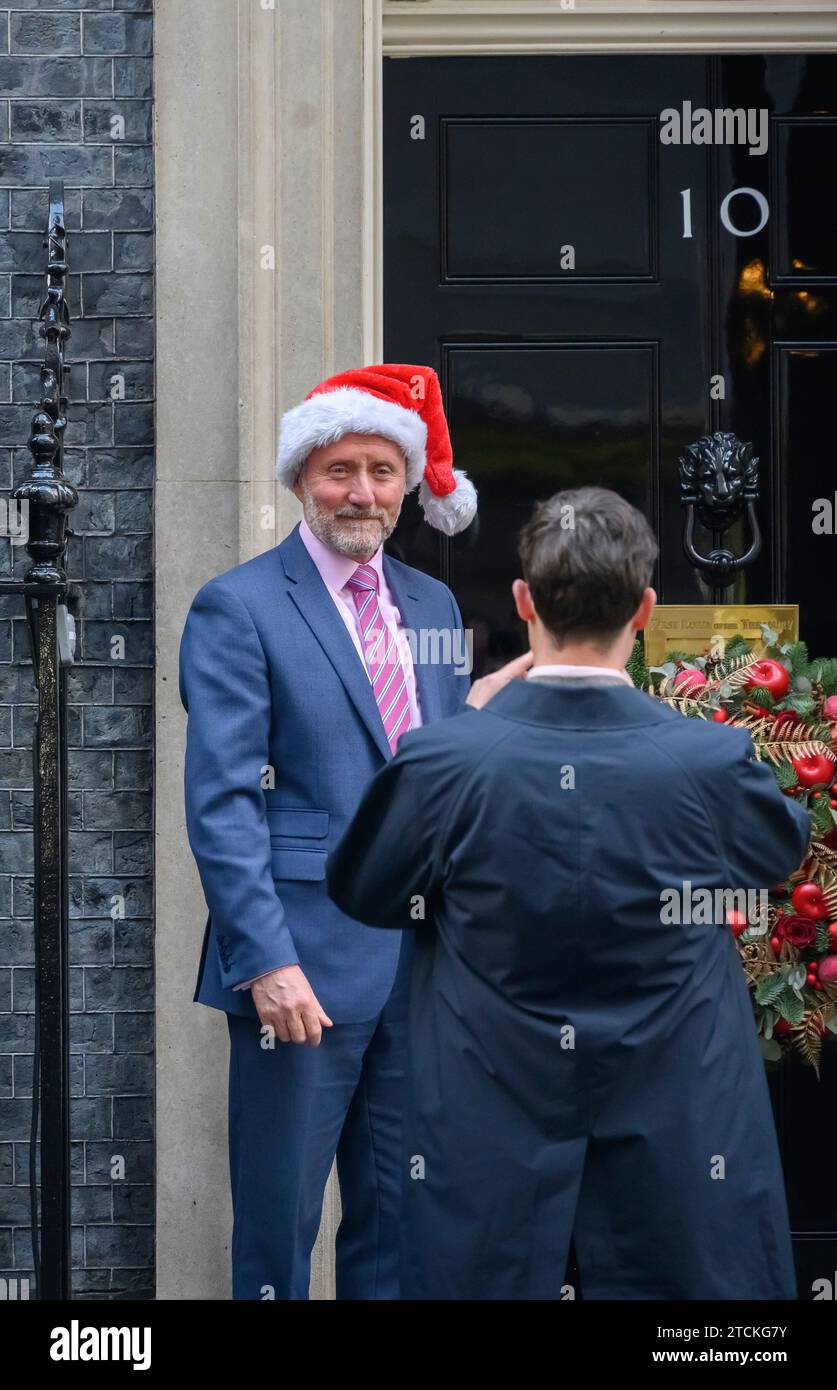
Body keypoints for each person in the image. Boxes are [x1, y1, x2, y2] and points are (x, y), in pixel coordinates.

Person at [326, 485, 811, 1300]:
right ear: (647, 609)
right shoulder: (708, 764)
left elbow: (366, 889)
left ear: (521, 602)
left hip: (487, 1127)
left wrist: (461, 726)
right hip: (682, 1128)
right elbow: (776, 853)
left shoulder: (445, 761)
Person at [178, 362, 529, 1300]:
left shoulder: (432, 605)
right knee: (280, 1222)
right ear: (301, 478)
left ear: (408, 484)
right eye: (340, 469)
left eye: (381, 470)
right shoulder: (239, 607)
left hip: (420, 972)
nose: (362, 492)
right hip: (300, 972)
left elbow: (438, 767)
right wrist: (265, 962)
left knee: (402, 1223)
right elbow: (223, 802)